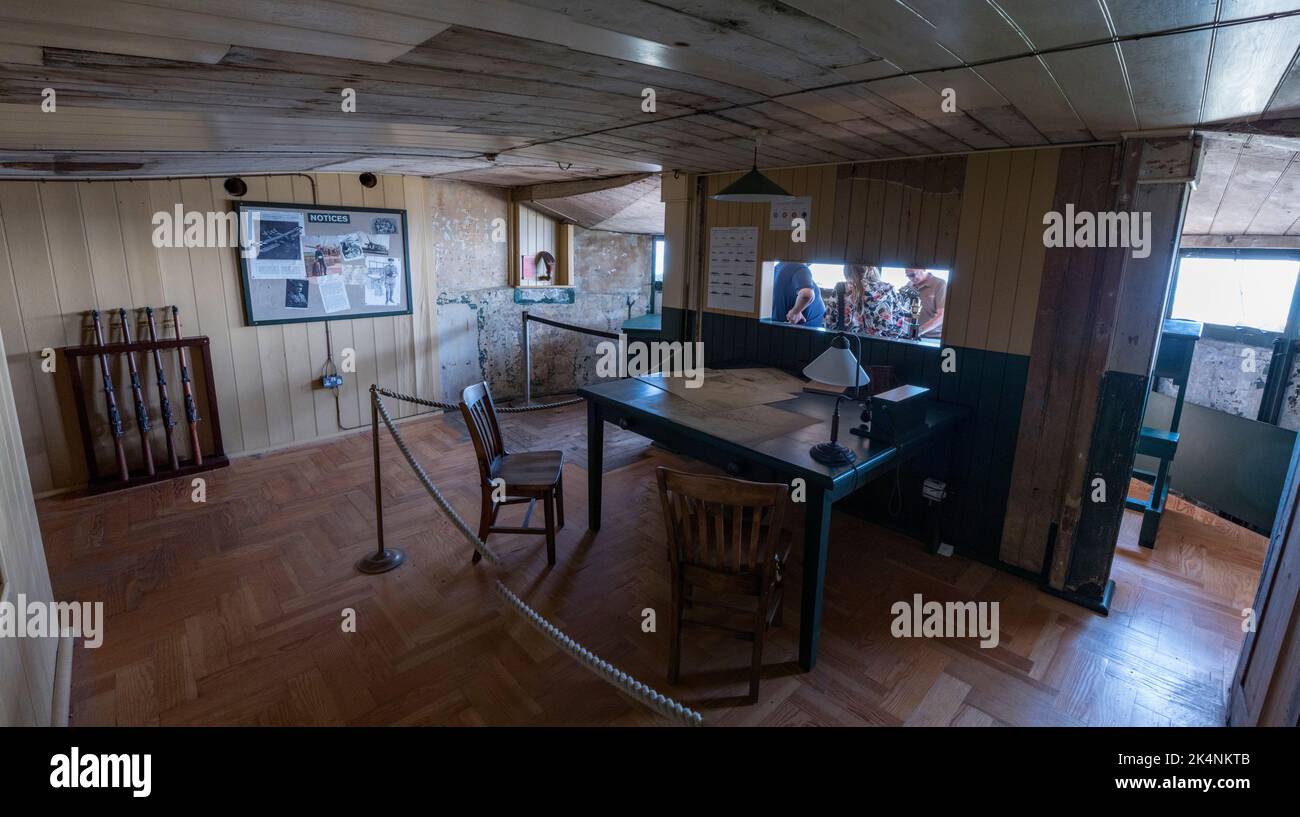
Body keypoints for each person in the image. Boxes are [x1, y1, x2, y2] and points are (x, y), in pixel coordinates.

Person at [842, 264, 904, 338]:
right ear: (873, 269)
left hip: (847, 344)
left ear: (847, 270)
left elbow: (830, 323)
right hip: (883, 345)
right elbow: (898, 325)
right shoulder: (889, 289)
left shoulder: (841, 289)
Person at [770, 261, 825, 328]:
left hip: (780, 327)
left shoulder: (776, 269)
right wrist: (795, 312)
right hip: (806, 331)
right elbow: (806, 294)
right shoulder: (798, 266)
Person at [902, 267, 946, 339]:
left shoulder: (939, 284)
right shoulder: (909, 285)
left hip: (933, 337)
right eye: (908, 276)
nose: (911, 278)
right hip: (912, 335)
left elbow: (941, 315)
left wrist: (919, 331)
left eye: (913, 275)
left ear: (924, 269)